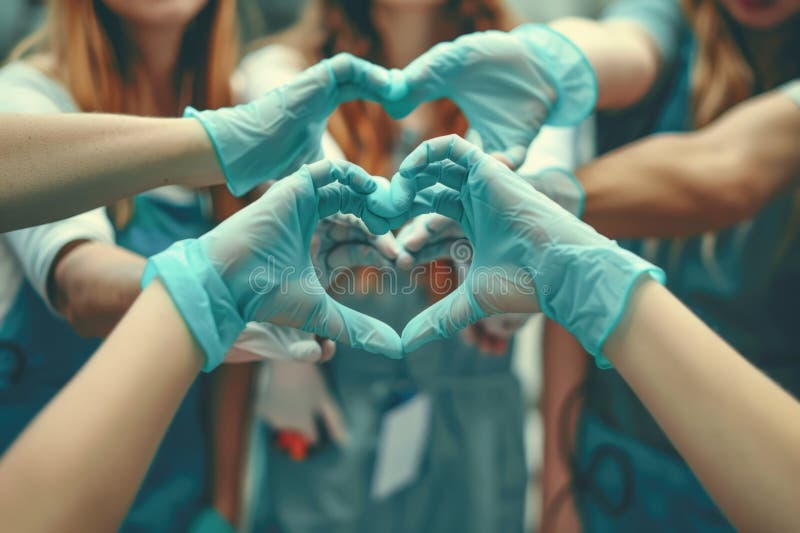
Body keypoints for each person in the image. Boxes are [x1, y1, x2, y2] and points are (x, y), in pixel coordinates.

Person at [3, 142, 800, 533]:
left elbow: (727, 165)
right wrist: (233, 311)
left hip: (471, 414)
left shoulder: (526, 88)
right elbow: (75, 277)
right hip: (324, 429)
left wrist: (569, 245)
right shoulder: (278, 71)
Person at [382, 0, 799, 530]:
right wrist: (550, 59)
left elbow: (730, 168)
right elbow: (628, 47)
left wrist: (545, 204)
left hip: (759, 474)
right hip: (614, 472)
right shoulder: (670, 18)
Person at [0, 0, 402, 530]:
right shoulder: (25, 100)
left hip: (181, 503)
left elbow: (226, 386)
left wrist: (224, 508)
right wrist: (209, 291)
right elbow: (81, 283)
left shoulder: (235, 98)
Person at [235, 1, 595, 530]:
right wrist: (286, 358)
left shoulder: (524, 77)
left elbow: (544, 213)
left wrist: (517, 279)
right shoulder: (279, 74)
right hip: (330, 424)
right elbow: (261, 235)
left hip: (472, 432)